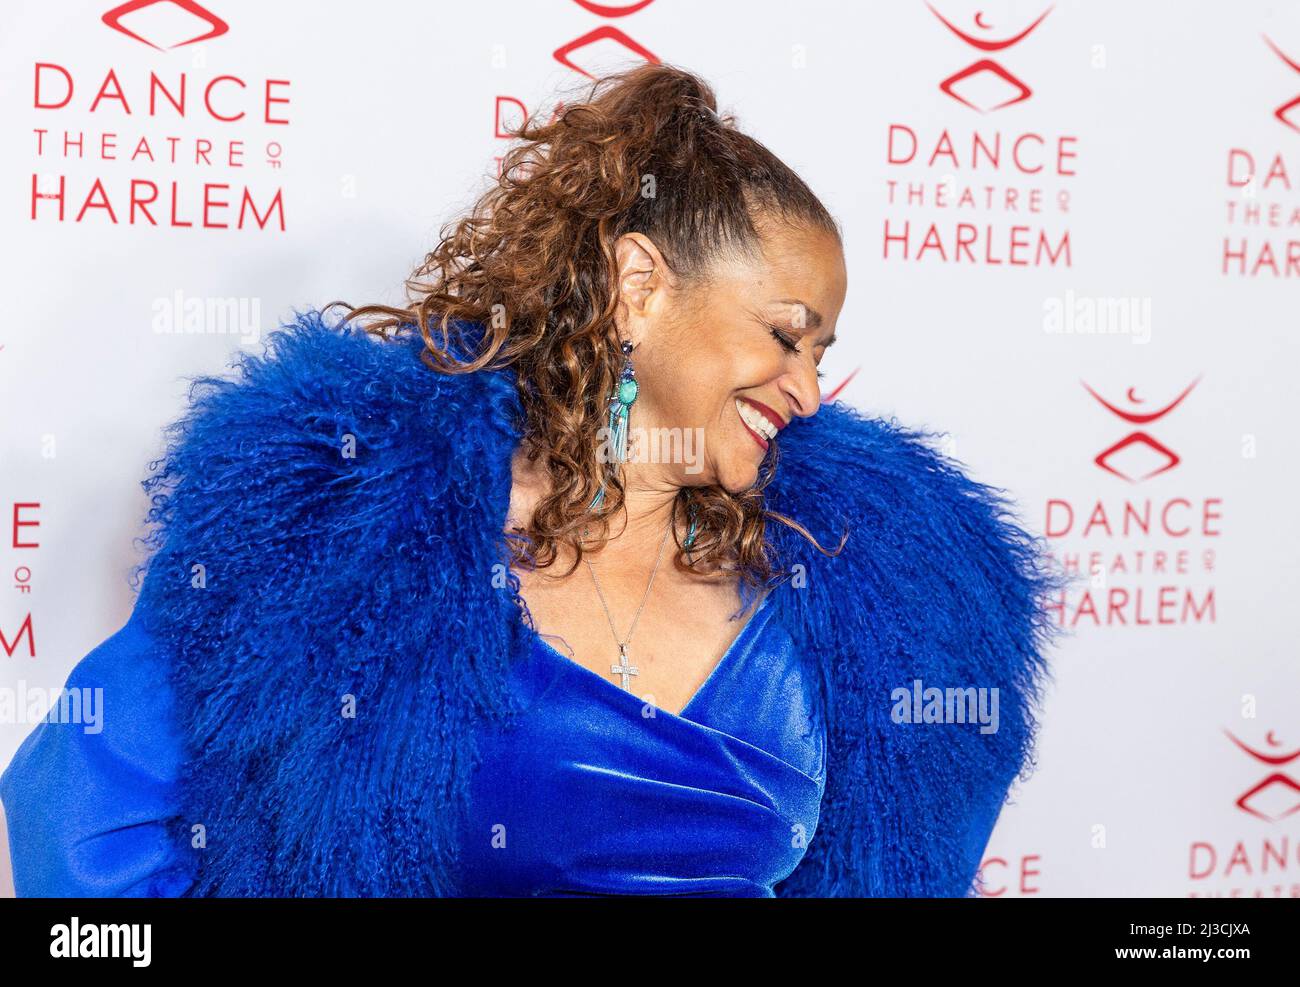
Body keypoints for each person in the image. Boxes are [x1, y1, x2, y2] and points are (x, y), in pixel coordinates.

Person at [0, 63, 1067, 897]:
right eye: (785, 337)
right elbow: (80, 813)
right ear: (637, 289)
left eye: (823, 352)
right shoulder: (341, 532)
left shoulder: (859, 584)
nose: (808, 388)